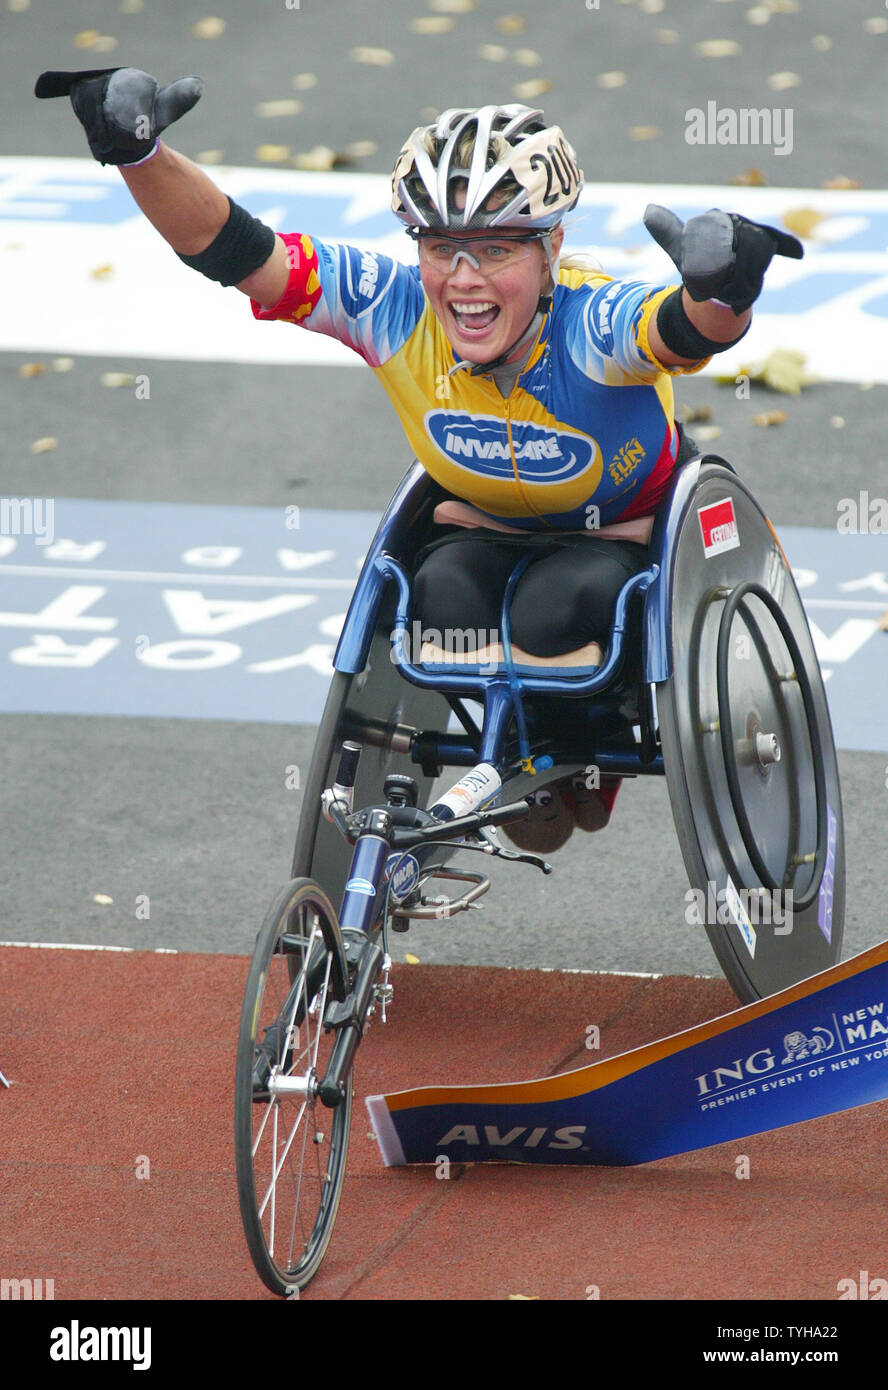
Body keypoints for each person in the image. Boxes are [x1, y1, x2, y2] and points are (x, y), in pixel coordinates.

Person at [36, 68, 802, 853]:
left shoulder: (593, 321)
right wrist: (139, 156)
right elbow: (234, 247)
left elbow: (685, 329)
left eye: (496, 249)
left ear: (552, 249)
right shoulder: (395, 306)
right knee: (436, 597)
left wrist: (726, 285)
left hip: (619, 541)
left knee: (554, 609)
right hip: (478, 530)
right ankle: (525, 750)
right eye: (441, 248)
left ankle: (577, 756)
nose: (464, 281)